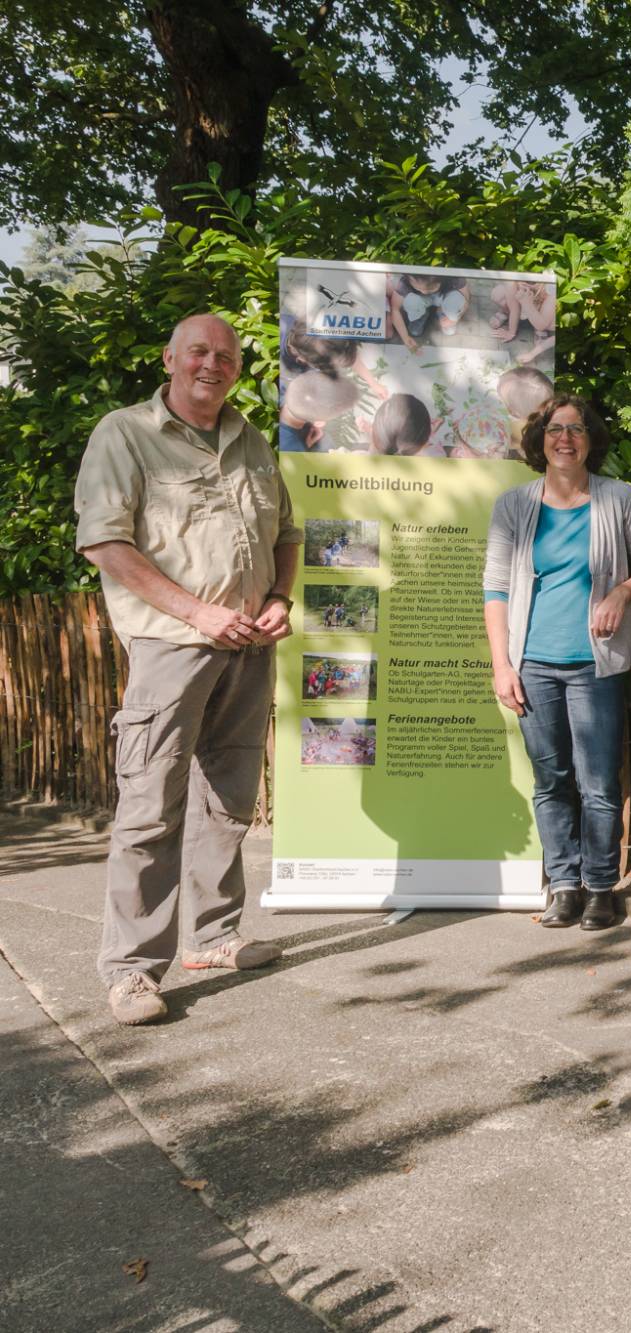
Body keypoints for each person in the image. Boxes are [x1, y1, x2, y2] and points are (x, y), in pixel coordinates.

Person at [73, 313, 302, 1026]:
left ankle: (212, 936)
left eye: (226, 355)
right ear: (171, 358)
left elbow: (287, 532)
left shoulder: (250, 437)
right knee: (151, 803)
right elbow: (106, 543)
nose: (213, 363)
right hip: (173, 647)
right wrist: (197, 614)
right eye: (199, 351)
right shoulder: (124, 433)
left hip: (248, 647)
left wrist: (278, 597)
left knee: (226, 799)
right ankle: (133, 970)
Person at [483, 396, 631, 932]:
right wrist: (502, 664)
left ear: (591, 440)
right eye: (555, 429)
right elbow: (495, 588)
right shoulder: (513, 506)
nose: (566, 438)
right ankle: (563, 886)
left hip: (596, 663)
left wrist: (621, 594)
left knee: (599, 782)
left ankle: (601, 887)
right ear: (540, 441)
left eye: (577, 429)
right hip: (532, 663)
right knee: (551, 780)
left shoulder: (618, 498)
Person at [389, 272, 469, 352]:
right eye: (418, 288)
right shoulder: (404, 283)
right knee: (411, 303)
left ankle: (445, 312)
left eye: (431, 288)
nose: (424, 292)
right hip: (420, 300)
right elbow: (395, 309)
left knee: (457, 299)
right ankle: (420, 315)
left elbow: (466, 298)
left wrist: (455, 319)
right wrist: (406, 338)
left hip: (443, 297)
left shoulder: (454, 277)